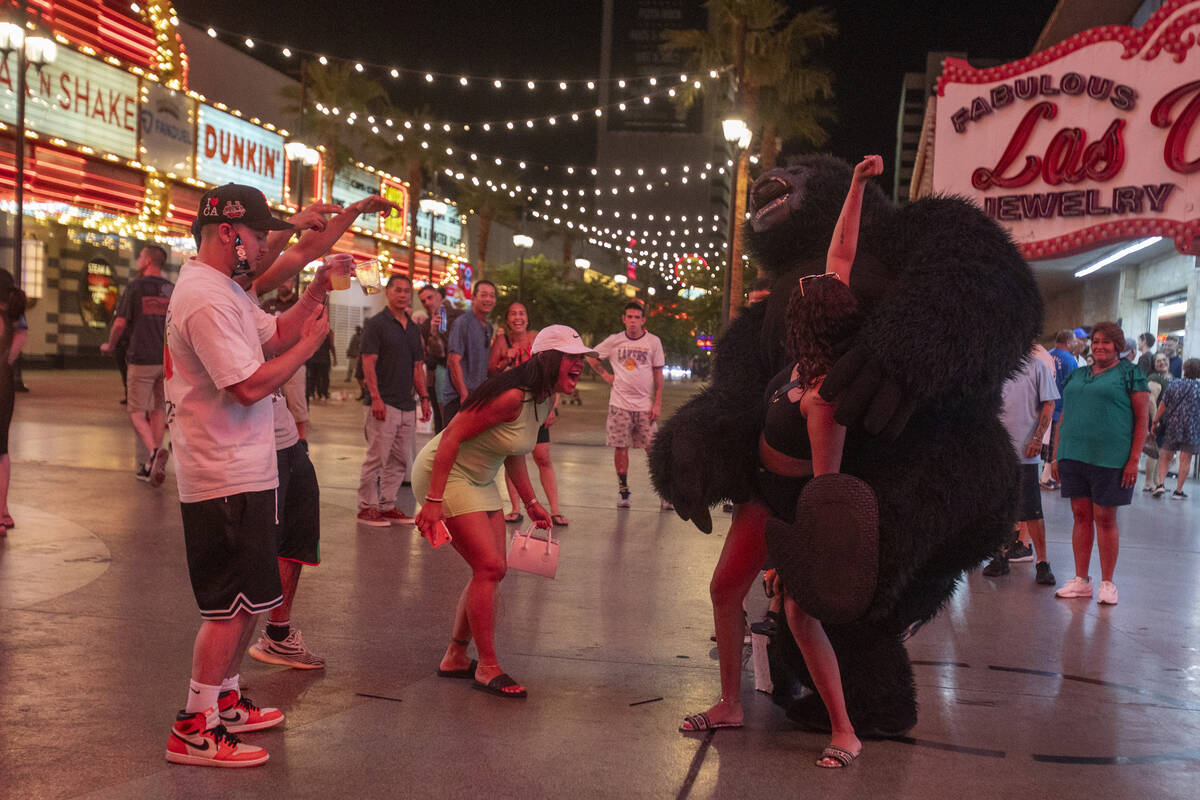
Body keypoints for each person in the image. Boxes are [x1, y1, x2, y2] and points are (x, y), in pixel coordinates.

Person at [678, 155, 882, 771]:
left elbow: (826, 489)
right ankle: (730, 704)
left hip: (798, 510)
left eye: (796, 304)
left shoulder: (823, 398)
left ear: (808, 325)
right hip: (763, 497)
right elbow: (839, 255)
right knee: (722, 591)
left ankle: (845, 729)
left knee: (798, 615)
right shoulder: (803, 360)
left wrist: (792, 560)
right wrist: (855, 187)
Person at [162, 184, 334, 768]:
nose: (265, 246)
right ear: (229, 233)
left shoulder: (226, 292)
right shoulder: (204, 298)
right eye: (260, 234)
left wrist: (312, 295)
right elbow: (248, 386)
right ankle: (194, 724)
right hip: (221, 474)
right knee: (227, 608)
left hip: (247, 468)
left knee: (249, 598)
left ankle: (225, 699)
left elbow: (274, 334)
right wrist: (308, 348)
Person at [243, 195, 402, 670]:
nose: (262, 248)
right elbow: (290, 253)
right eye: (256, 236)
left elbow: (302, 254)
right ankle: (219, 684)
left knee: (296, 534)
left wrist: (350, 215)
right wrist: (292, 224)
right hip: (244, 447)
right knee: (251, 554)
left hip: (283, 437)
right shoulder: (215, 292)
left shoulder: (246, 287)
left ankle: (276, 631)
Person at [413, 325, 593, 699]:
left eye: (582, 359)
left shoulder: (544, 399)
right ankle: (488, 667)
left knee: (493, 570)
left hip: (479, 479)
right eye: (572, 359)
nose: (580, 365)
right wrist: (432, 501)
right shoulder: (512, 395)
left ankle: (456, 657)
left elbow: (513, 449)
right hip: (444, 475)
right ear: (549, 359)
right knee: (490, 567)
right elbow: (451, 436)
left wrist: (530, 502)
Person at [1050, 321, 1149, 606]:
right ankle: (1081, 580)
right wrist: (1057, 454)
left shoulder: (1130, 373)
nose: (1099, 346)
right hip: (1073, 456)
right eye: (1095, 341)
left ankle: (1108, 583)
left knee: (1105, 519)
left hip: (1111, 459)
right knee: (1080, 516)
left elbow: (1142, 419)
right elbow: (1065, 415)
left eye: (1106, 342)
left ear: (1118, 346)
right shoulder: (1078, 374)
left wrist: (1133, 460)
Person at [356, 274, 433, 527]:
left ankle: (387, 505)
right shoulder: (376, 324)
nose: (402, 294)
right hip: (384, 403)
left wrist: (423, 398)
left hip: (406, 404)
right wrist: (375, 398)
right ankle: (366, 507)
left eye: (406, 291)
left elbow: (417, 366)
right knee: (377, 458)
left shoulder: (412, 328)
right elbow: (368, 362)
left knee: (400, 459)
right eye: (397, 290)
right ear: (388, 292)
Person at [981, 347, 1059, 584]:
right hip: (996, 451)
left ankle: (1042, 563)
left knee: (1032, 511)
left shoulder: (1037, 367)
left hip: (1025, 452)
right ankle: (1001, 556)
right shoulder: (994, 365)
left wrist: (1037, 439)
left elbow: (1049, 404)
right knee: (999, 507)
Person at [100, 245, 174, 485]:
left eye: (141, 256)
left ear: (149, 260)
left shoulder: (135, 288)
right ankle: (151, 465)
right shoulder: (171, 289)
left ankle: (153, 451)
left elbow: (120, 323)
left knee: (135, 411)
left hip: (141, 358)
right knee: (158, 410)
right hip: (164, 360)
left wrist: (110, 345)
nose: (138, 260)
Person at [490, 302, 569, 526]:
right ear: (507, 319)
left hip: (538, 405)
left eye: (521, 313)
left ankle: (554, 509)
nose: (518, 317)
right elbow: (492, 371)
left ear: (527, 318)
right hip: (513, 408)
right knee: (513, 455)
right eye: (513, 313)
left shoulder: (537, 339)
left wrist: (553, 407)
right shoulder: (501, 342)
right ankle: (516, 508)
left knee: (542, 456)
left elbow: (552, 372)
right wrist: (505, 359)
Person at [586, 301, 668, 509]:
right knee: (620, 447)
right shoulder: (614, 341)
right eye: (629, 317)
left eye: (636, 317)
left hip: (644, 406)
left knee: (653, 449)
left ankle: (664, 492)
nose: (632, 321)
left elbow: (658, 375)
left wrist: (657, 403)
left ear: (643, 320)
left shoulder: (653, 342)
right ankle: (623, 491)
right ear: (624, 319)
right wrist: (606, 375)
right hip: (619, 405)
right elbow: (591, 356)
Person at [444, 280, 497, 421]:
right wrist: (463, 394)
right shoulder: (462, 323)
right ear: (473, 298)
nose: (488, 299)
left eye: (492, 296)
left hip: (477, 398)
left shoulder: (489, 328)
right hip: (459, 399)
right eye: (484, 295)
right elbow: (454, 361)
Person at [0, 269, 26, 536]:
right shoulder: (13, 314)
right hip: (4, 384)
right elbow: (21, 335)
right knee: (2, 450)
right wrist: (6, 361)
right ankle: (2, 511)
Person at [1151, 358, 1200, 499]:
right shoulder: (1199, 387)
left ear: (1185, 369)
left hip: (1173, 426)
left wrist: (1155, 421)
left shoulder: (1174, 384)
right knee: (1185, 459)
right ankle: (1178, 491)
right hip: (1192, 428)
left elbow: (1163, 404)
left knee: (1166, 456)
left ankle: (1160, 484)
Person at [417, 284, 462, 433]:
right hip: (440, 375)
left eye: (430, 298)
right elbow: (437, 354)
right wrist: (434, 333)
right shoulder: (426, 325)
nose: (427, 303)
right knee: (442, 419)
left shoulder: (458, 316)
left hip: (461, 374)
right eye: (423, 301)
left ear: (438, 296)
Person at [1040, 330, 1078, 489]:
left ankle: (1045, 473)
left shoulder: (1046, 355)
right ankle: (1046, 477)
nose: (1076, 344)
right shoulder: (1070, 360)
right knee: (1054, 443)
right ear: (1069, 342)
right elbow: (1074, 385)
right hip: (1060, 407)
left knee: (1045, 442)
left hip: (1044, 406)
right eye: (1075, 342)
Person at [1142, 352, 1172, 492]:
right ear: (1154, 365)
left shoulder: (1169, 378)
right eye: (1158, 361)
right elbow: (1151, 400)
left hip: (1165, 421)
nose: (1161, 362)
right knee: (1153, 451)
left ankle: (1155, 481)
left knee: (1159, 451)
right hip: (1157, 421)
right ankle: (1148, 482)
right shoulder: (1154, 378)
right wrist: (1155, 420)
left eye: (1164, 360)